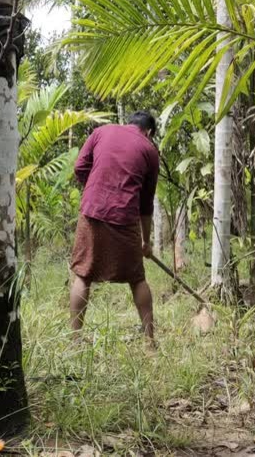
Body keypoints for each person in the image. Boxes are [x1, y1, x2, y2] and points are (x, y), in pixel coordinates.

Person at [70, 111, 160, 344]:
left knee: (83, 274)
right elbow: (146, 204)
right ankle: (150, 341)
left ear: (129, 122)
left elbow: (80, 167)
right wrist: (146, 241)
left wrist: (96, 189)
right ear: (149, 132)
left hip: (92, 211)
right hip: (124, 217)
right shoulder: (149, 150)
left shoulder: (101, 131)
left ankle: (75, 340)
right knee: (137, 279)